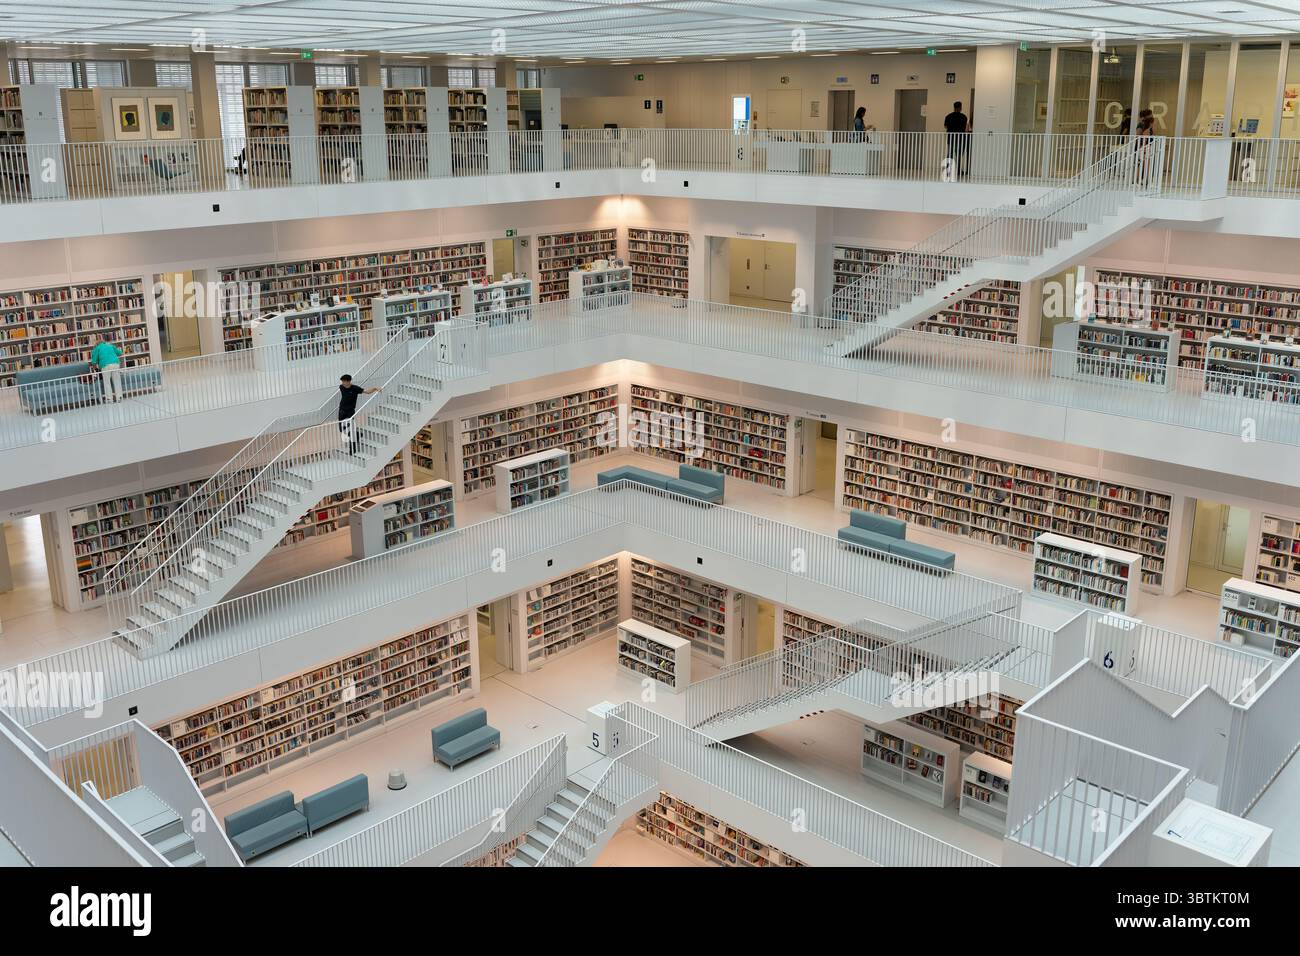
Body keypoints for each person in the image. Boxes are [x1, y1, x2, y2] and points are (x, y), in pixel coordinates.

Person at [337, 374, 381, 455]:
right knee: (342, 430)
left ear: (348, 381)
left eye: (344, 381)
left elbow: (367, 392)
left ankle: (352, 449)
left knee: (351, 431)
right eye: (342, 381)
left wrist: (375, 388)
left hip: (350, 412)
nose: (342, 383)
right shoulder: (341, 387)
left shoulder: (355, 388)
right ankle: (358, 434)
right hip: (341, 411)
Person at [89, 337, 124, 404]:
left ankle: (109, 399)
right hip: (115, 364)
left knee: (107, 382)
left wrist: (95, 368)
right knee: (117, 381)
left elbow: (93, 362)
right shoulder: (110, 345)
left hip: (105, 366)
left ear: (96, 344)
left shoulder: (97, 348)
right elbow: (120, 353)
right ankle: (119, 398)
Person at [944, 101, 971, 177]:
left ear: (954, 107)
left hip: (951, 139)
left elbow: (945, 126)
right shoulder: (964, 117)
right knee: (959, 155)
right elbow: (966, 128)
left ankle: (949, 170)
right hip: (960, 139)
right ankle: (958, 170)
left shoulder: (948, 116)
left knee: (950, 155)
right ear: (960, 108)